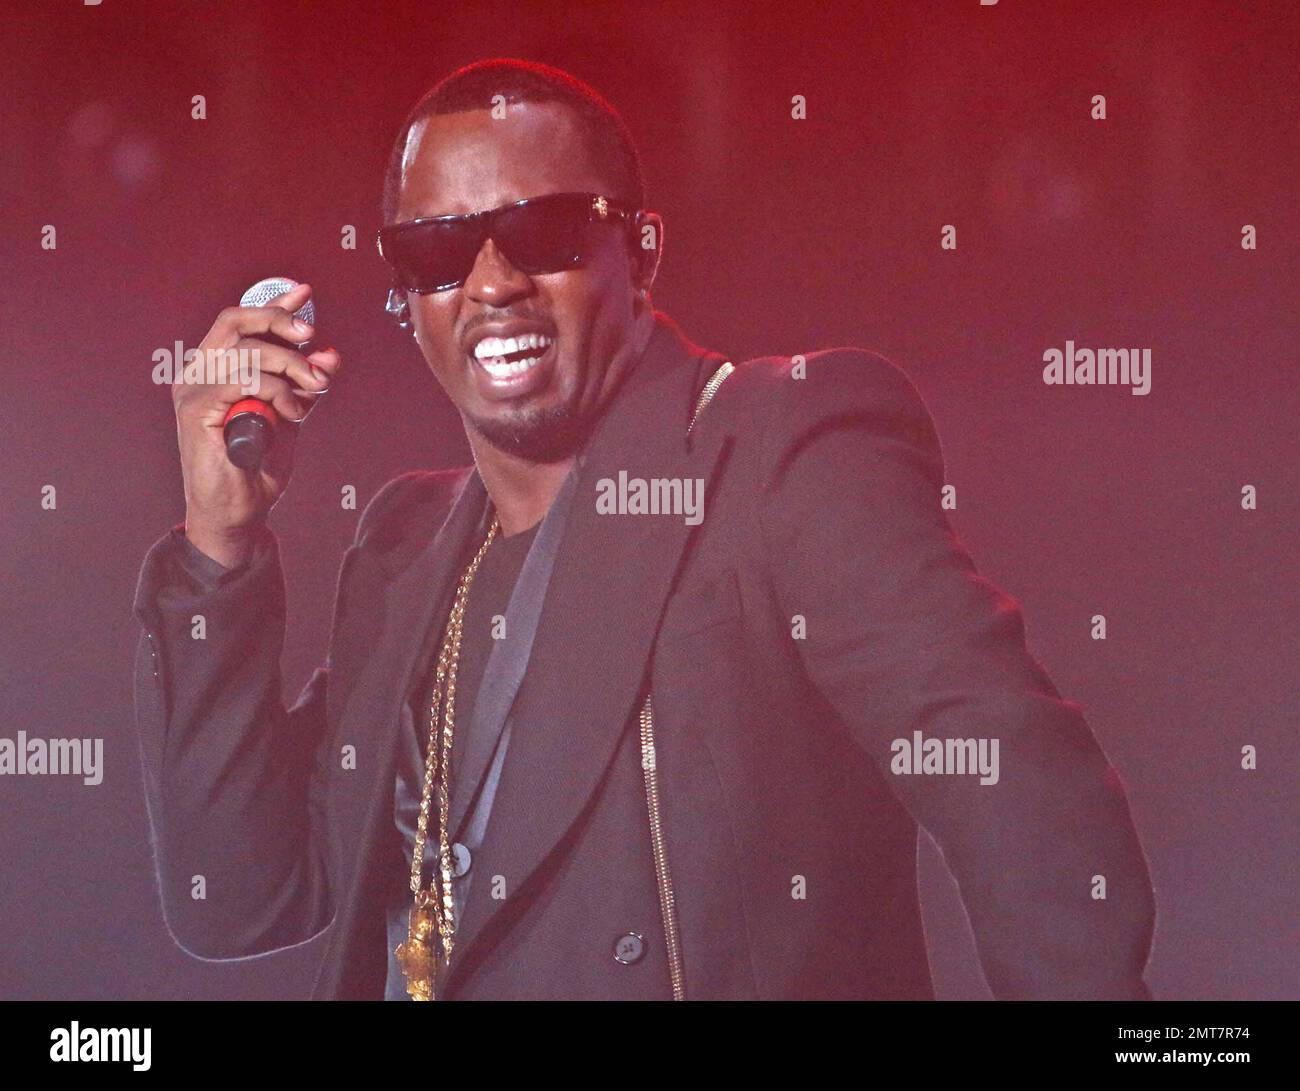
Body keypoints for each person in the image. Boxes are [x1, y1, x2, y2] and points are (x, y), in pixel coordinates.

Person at [132, 58, 1155, 1000]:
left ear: (642, 248)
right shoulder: (406, 548)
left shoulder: (774, 451)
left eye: (544, 233)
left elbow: (1016, 787)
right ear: (404, 296)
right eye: (438, 252)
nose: (491, 284)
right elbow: (238, 893)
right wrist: (217, 550)